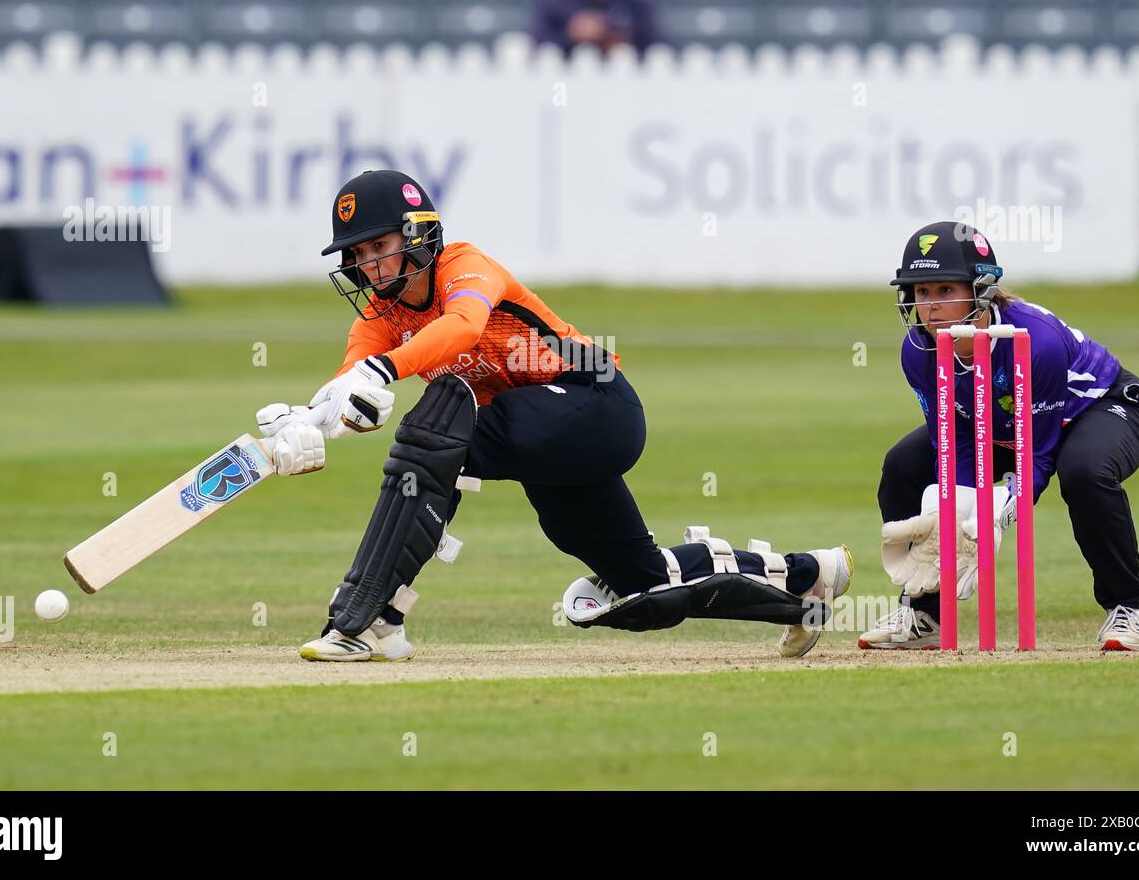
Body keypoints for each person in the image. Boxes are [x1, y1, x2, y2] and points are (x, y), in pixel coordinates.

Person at [254, 168, 852, 662]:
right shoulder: (376, 322)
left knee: (439, 427)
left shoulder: (466, 266)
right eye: (360, 254)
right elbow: (347, 384)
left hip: (595, 401)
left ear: (419, 237)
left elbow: (459, 327)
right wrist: (308, 422)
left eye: (382, 247)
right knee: (642, 585)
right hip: (543, 441)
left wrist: (385, 373)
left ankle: (371, 616)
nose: (374, 266)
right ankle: (806, 580)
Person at [861, 221, 1139, 652]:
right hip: (1000, 426)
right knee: (904, 466)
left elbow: (1039, 456)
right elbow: (955, 436)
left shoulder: (1035, 343)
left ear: (981, 290)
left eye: (946, 291)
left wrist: (997, 510)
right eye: (922, 293)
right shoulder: (918, 351)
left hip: (1100, 408)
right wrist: (962, 508)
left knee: (1083, 471)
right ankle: (926, 613)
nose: (931, 307)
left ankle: (1130, 607)